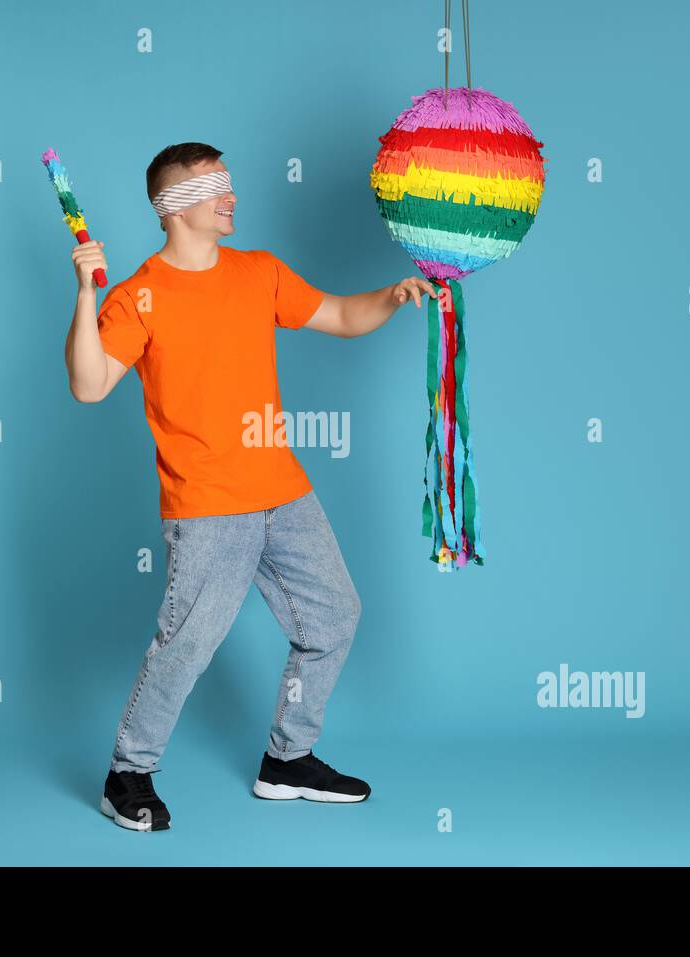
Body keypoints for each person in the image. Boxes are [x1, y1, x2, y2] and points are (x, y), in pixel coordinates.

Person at [65, 142, 437, 832]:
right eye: (215, 188)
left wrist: (390, 295)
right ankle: (127, 774)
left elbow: (340, 316)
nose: (232, 197)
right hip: (208, 507)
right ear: (172, 205)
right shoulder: (139, 295)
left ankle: (288, 758)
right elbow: (88, 385)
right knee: (187, 644)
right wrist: (86, 294)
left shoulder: (259, 272)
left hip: (284, 491)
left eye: (230, 185)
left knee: (333, 617)